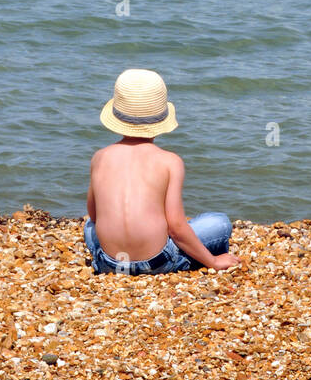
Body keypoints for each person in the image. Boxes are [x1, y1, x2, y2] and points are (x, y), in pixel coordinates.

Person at [84, 68, 240, 275]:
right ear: (161, 119)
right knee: (219, 222)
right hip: (157, 262)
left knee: (88, 227)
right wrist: (212, 261)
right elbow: (175, 227)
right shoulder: (170, 161)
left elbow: (94, 216)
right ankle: (195, 258)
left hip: (110, 263)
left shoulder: (100, 157)